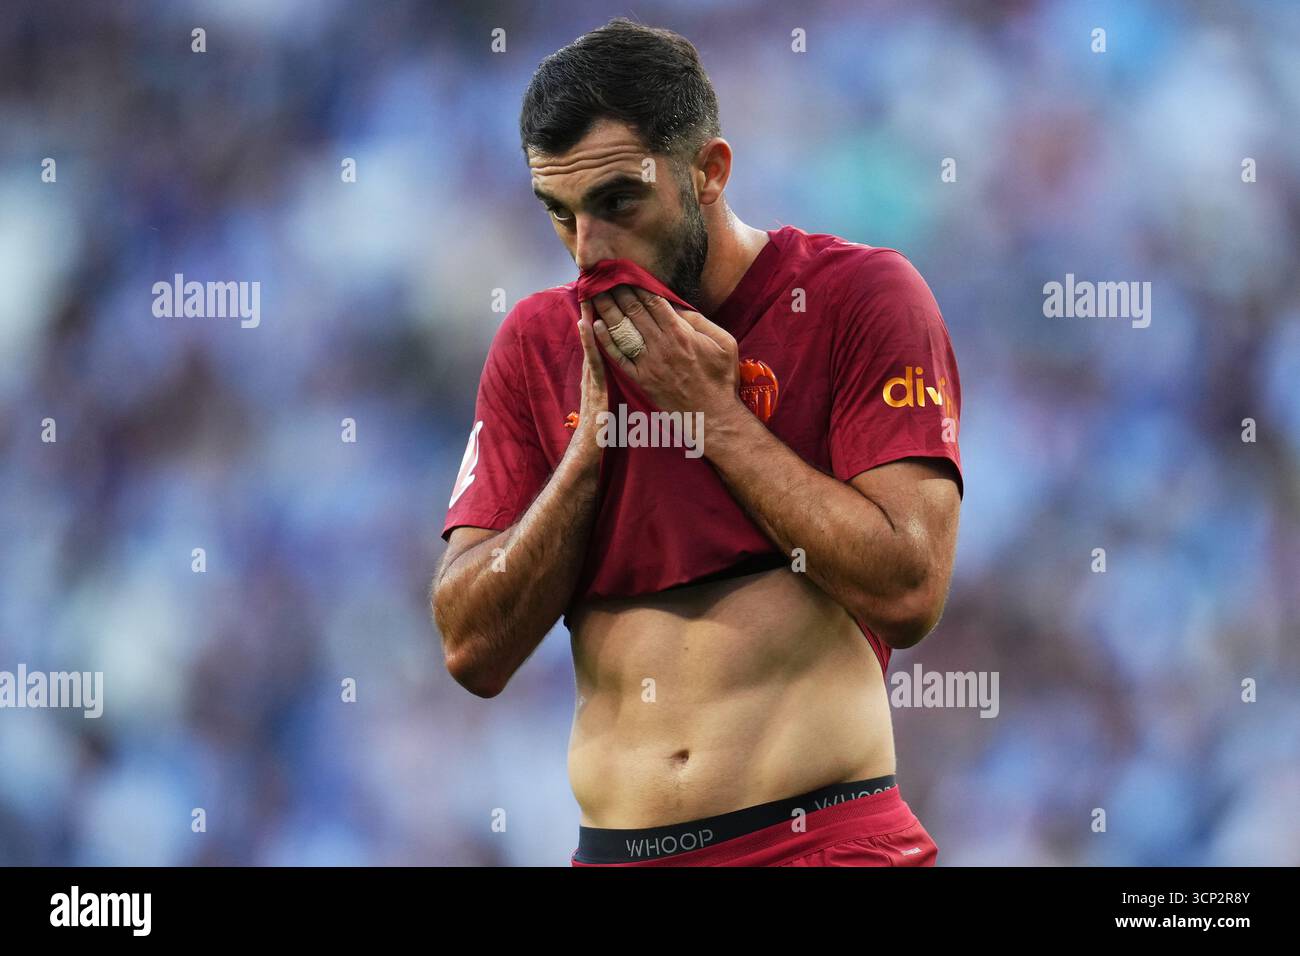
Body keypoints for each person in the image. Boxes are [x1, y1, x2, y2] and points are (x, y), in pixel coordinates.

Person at [433, 18, 963, 866]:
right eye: (561, 215)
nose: (588, 253)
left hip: (821, 842)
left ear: (708, 172)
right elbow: (471, 648)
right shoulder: (537, 346)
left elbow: (909, 590)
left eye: (618, 203)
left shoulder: (859, 299)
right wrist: (586, 457)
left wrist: (712, 417)